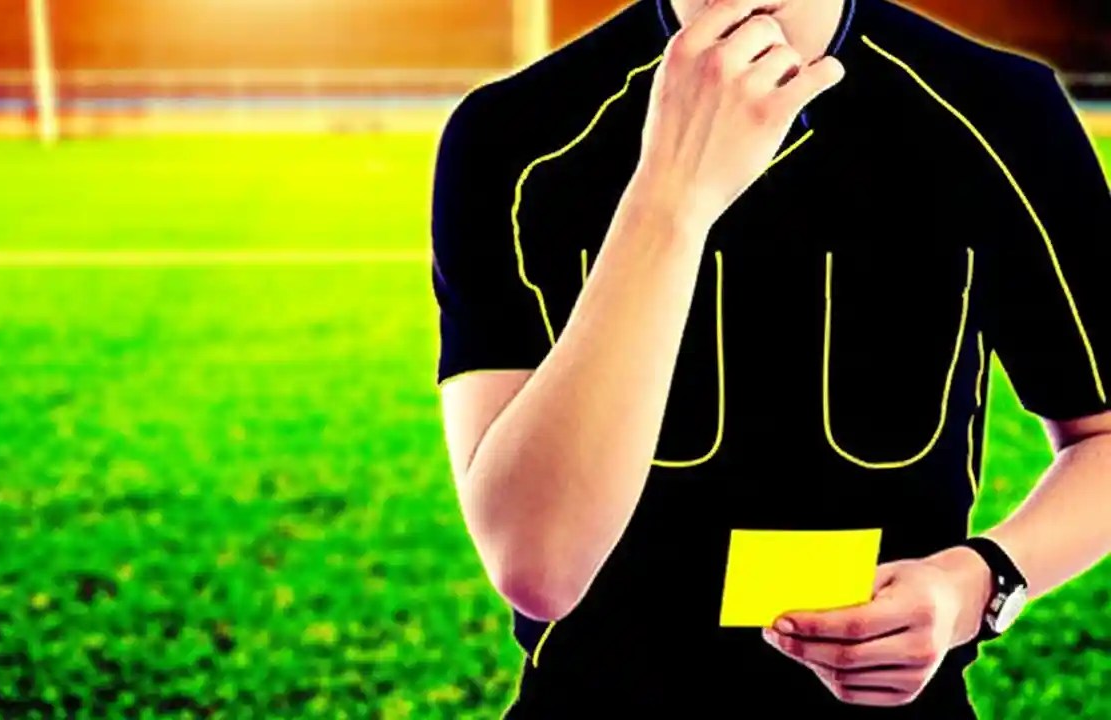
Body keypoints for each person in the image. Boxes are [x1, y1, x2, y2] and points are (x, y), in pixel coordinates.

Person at [430, 0, 1111, 716]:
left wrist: (976, 583)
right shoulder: (512, 137)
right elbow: (539, 567)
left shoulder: (1000, 111)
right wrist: (672, 198)